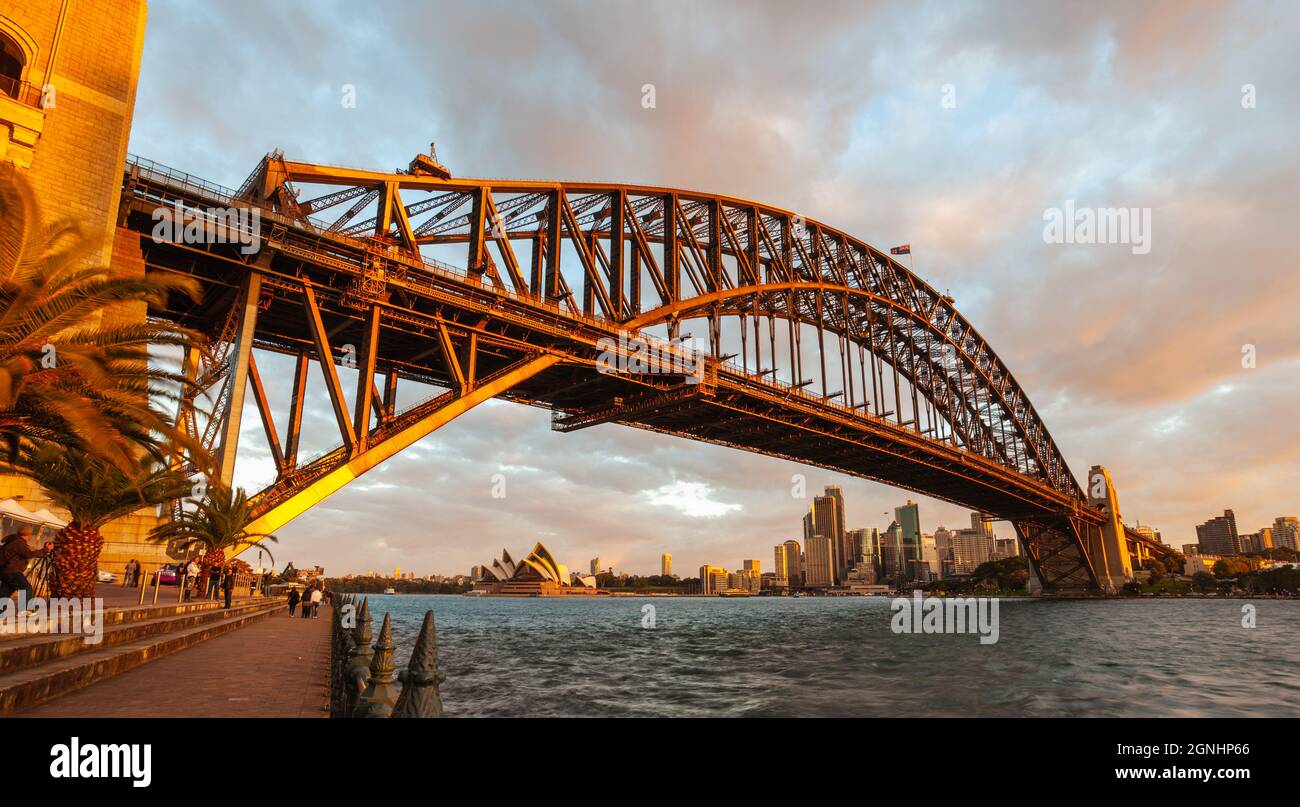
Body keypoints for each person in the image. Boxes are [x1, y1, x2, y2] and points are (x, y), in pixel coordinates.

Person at [0, 526, 54, 606]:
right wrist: (46, 549)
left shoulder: (14, 541)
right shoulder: (18, 542)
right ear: (28, 534)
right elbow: (29, 554)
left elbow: (29, 552)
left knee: (5, 594)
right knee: (26, 588)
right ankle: (24, 609)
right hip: (12, 572)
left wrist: (44, 551)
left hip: (5, 571)